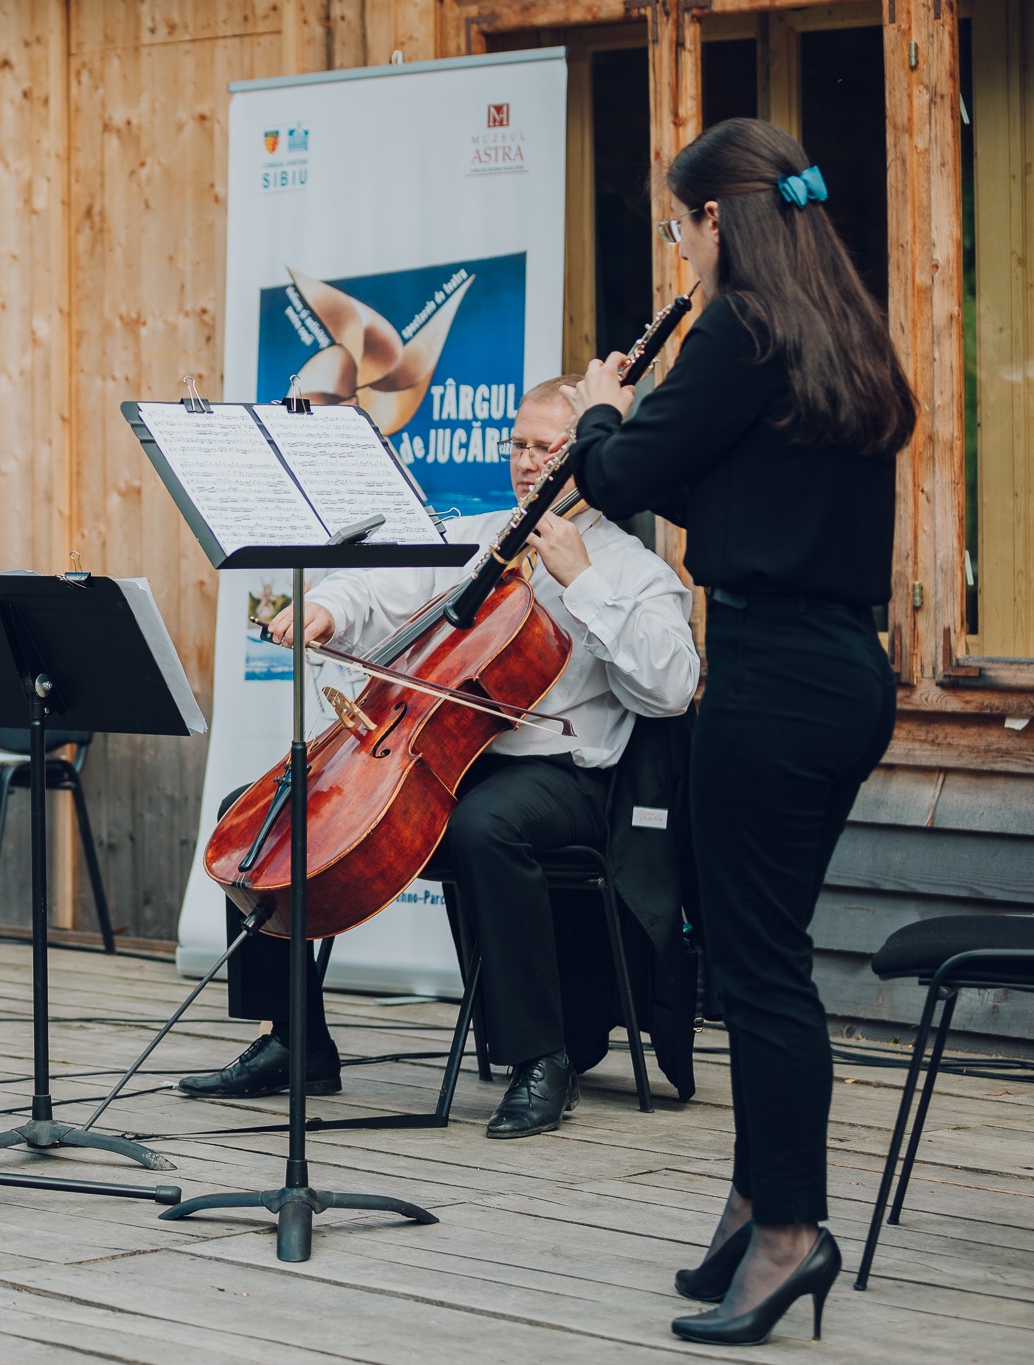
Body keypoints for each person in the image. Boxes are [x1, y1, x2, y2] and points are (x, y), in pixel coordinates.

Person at [568, 118, 912, 1346]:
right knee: (760, 951)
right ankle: (750, 1201)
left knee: (760, 969)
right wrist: (644, 438)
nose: (678, 252)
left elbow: (617, 480)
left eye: (676, 229)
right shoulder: (839, 333)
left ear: (716, 218)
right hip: (843, 674)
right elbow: (717, 485)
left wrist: (600, 412)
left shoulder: (738, 330)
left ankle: (787, 1233)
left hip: (769, 680)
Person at [179, 376, 700, 1139]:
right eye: (518, 445)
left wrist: (582, 580)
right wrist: (327, 608)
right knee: (255, 815)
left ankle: (542, 1058)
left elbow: (674, 687)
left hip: (561, 774)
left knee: (485, 826)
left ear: (590, 452)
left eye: (547, 447)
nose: (528, 462)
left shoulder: (632, 570)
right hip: (439, 755)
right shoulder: (478, 536)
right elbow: (382, 589)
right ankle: (294, 1040)